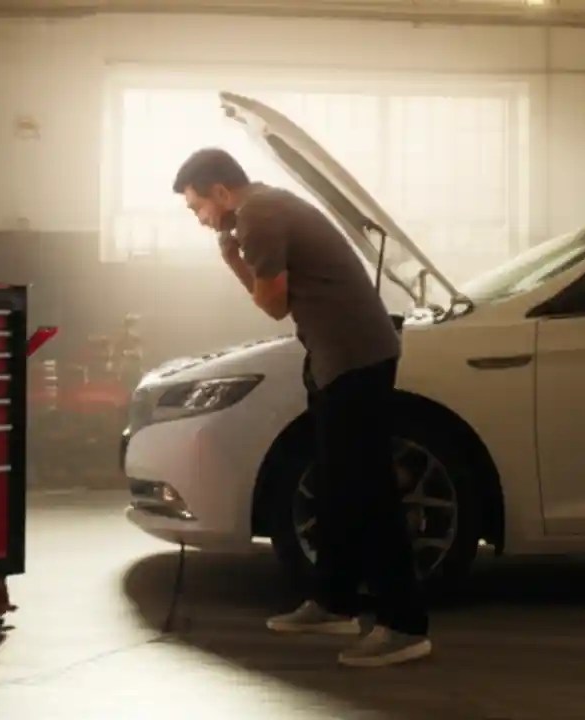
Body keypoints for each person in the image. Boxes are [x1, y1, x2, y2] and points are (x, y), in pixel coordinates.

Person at [172, 148, 431, 668]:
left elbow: (273, 304)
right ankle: (334, 602)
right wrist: (235, 256)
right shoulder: (265, 206)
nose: (199, 219)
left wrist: (232, 259)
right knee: (336, 485)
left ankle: (404, 625)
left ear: (221, 192)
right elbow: (285, 300)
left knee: (368, 489)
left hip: (354, 357)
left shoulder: (257, 216)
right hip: (342, 356)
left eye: (197, 206)